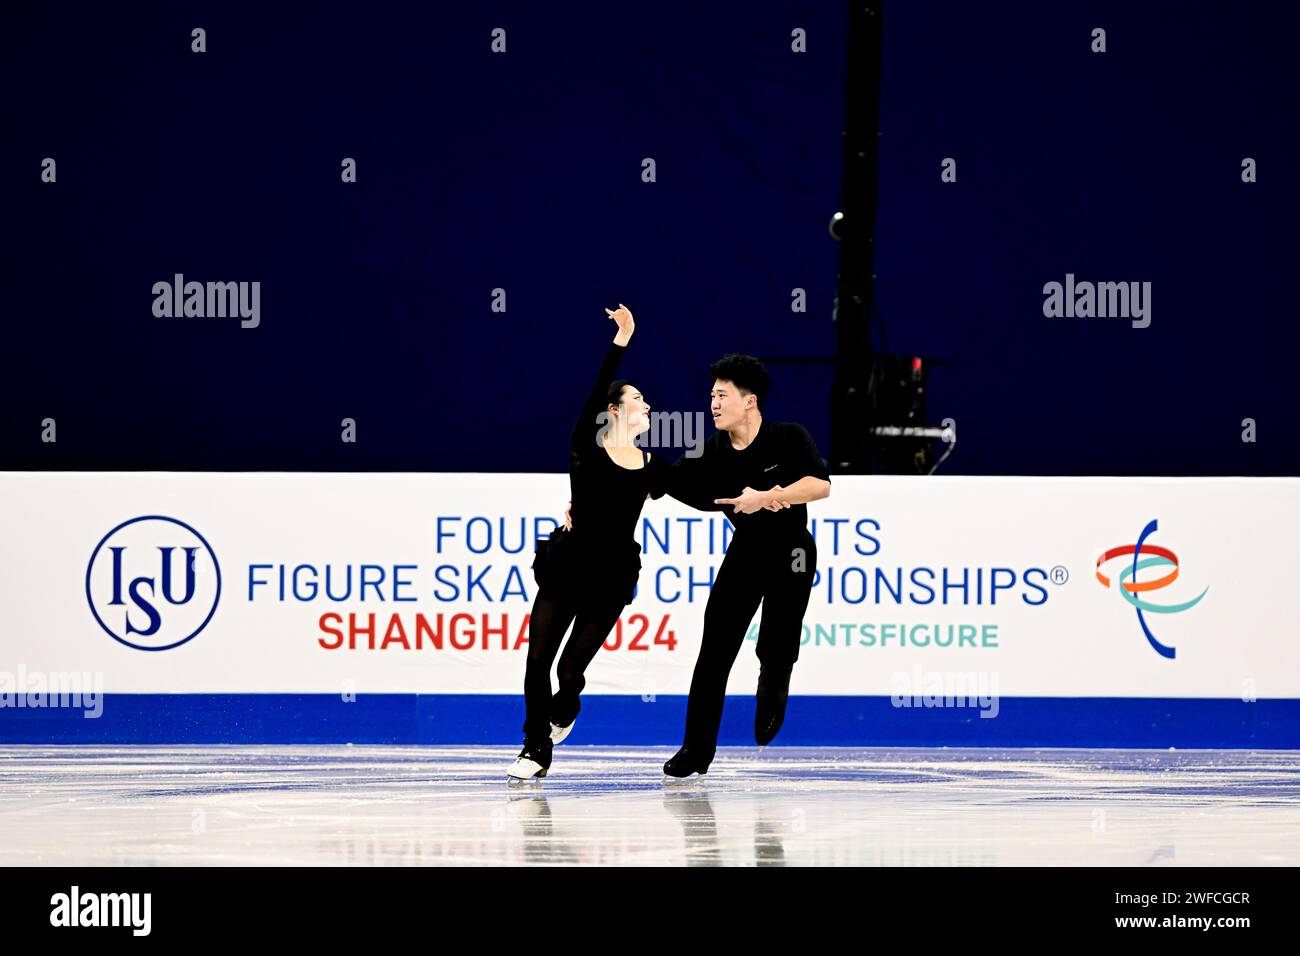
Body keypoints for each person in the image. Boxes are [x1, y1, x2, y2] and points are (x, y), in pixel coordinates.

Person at [508, 303, 670, 779]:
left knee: (569, 671)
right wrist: (622, 340)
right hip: (568, 566)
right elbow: (596, 389)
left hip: (612, 577)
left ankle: (565, 709)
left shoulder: (651, 467)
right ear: (615, 409)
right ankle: (535, 748)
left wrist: (758, 496)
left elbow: (698, 489)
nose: (647, 405)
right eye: (639, 398)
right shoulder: (586, 445)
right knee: (538, 658)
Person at [658, 354, 832, 776]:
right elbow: (665, 481)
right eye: (711, 395)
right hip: (747, 552)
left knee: (775, 643)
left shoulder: (788, 436)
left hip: (792, 551)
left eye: (721, 395)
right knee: (714, 651)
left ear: (749, 401)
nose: (713, 403)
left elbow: (820, 486)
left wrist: (770, 494)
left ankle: (773, 687)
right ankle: (695, 750)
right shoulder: (712, 449)